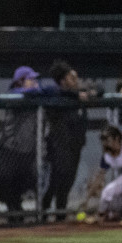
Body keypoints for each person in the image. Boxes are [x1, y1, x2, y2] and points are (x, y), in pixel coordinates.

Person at [0, 66, 47, 223]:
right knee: (8, 185)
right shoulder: (15, 95)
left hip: (29, 151)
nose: (35, 82)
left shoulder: (37, 95)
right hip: (11, 150)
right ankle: (14, 215)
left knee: (31, 183)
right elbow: (26, 93)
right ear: (20, 81)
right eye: (31, 79)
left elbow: (41, 90)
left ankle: (38, 215)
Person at [41, 60, 95, 218]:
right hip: (58, 147)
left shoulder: (78, 95)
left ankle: (60, 218)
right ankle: (42, 216)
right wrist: (76, 94)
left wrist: (84, 94)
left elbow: (99, 90)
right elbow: (51, 92)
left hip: (75, 146)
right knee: (55, 184)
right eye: (71, 78)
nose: (75, 81)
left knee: (67, 185)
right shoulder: (55, 94)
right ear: (63, 81)